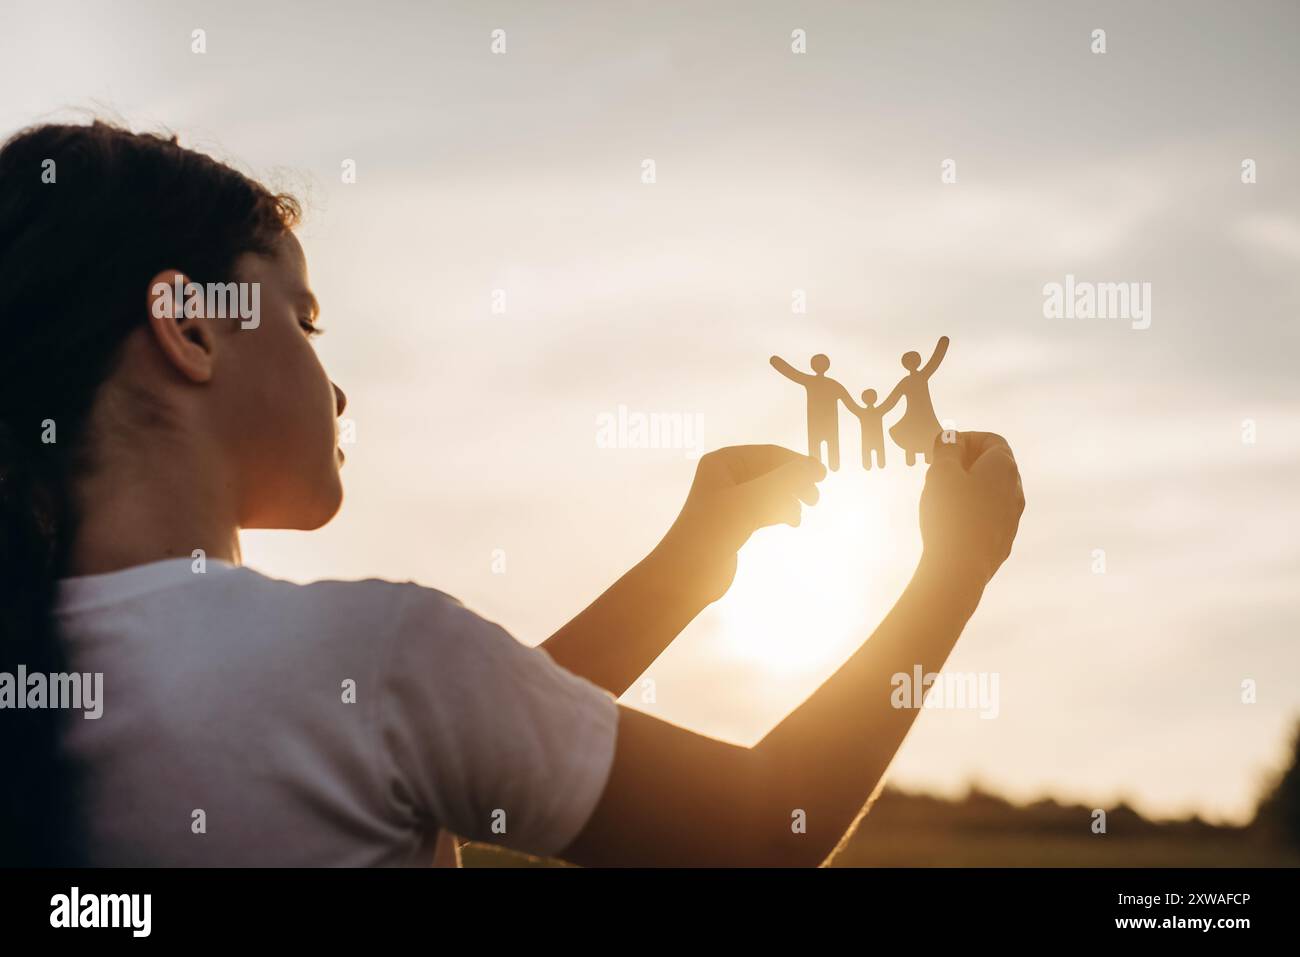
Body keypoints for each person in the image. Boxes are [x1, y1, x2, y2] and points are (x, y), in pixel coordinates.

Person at [0, 122, 1024, 867]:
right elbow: (765, 826)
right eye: (304, 321)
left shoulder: (46, 671)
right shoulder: (369, 652)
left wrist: (688, 566)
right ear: (190, 327)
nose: (336, 382)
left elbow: (456, 747)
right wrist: (953, 571)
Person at [769, 353, 855, 471]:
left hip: (820, 425)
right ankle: (826, 467)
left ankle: (826, 467)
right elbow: (852, 405)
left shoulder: (815, 381)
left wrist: (776, 361)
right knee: (824, 450)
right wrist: (776, 361)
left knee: (822, 449)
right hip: (823, 425)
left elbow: (793, 373)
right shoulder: (834, 384)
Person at [883, 336, 950, 466]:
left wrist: (943, 345)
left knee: (928, 433)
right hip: (916, 414)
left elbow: (935, 361)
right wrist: (878, 411)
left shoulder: (920, 376)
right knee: (915, 434)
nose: (913, 364)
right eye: (910, 361)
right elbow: (892, 400)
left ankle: (924, 454)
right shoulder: (909, 380)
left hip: (924, 414)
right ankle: (913, 455)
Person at [844, 388, 901, 470]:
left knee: (874, 459)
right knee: (874, 459)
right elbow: (890, 403)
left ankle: (875, 464)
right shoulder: (878, 411)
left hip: (871, 440)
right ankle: (876, 464)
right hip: (873, 440)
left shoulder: (863, 412)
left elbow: (851, 406)